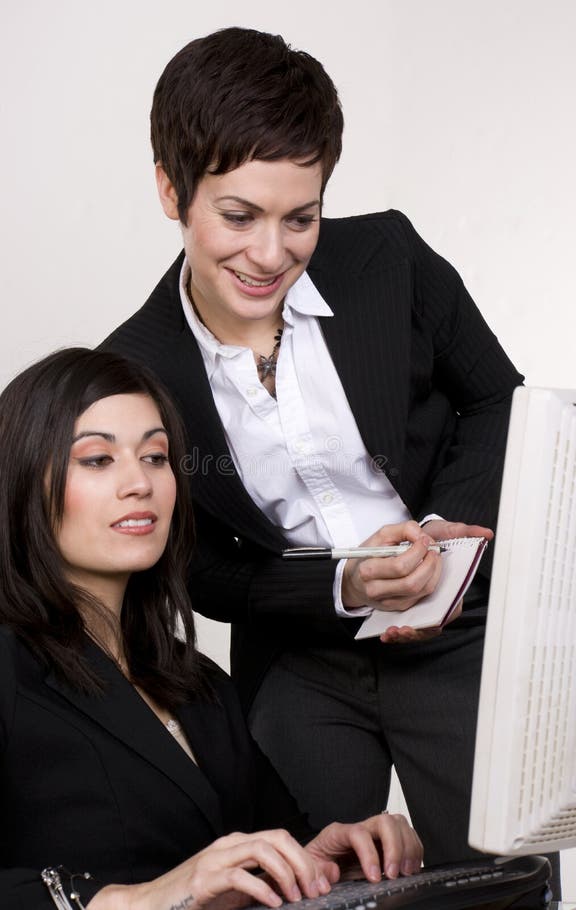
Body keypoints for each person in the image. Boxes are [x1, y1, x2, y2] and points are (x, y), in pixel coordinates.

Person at [100, 25, 529, 872]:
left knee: (503, 875)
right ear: (168, 189)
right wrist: (339, 582)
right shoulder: (136, 368)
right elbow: (189, 565)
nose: (271, 254)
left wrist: (446, 527)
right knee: (305, 879)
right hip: (300, 655)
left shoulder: (388, 258)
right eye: (238, 216)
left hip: (462, 625)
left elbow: (496, 397)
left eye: (301, 217)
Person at [0, 347, 423, 910]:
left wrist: (318, 860)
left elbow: (256, 847)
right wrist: (143, 899)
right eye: (98, 460)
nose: (140, 483)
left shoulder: (198, 682)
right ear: (25, 478)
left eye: (155, 457)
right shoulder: (9, 667)